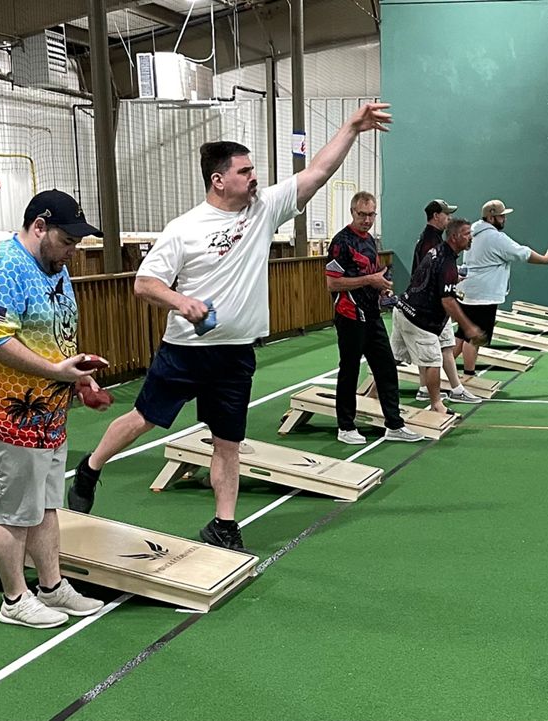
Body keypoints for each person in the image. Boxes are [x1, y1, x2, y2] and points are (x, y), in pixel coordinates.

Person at [69, 103, 394, 553]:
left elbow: (318, 171)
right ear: (218, 179)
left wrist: (353, 127)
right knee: (145, 418)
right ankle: (91, 467)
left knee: (228, 443)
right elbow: (145, 283)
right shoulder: (184, 228)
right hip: (185, 351)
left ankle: (224, 524)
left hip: (236, 352)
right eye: (244, 171)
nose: (253, 177)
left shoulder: (263, 210)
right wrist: (181, 301)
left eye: (253, 169)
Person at [0, 189, 107, 628]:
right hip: (1, 413)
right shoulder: (0, 266)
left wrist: (78, 375)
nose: (72, 252)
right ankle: (14, 599)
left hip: (45, 414)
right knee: (14, 511)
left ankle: (52, 585)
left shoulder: (54, 267)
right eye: (67, 241)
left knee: (45, 504)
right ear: (38, 227)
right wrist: (57, 372)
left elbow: (54, 333)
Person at [326, 192, 426, 445]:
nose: (367, 219)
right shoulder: (341, 242)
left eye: (371, 215)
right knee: (349, 370)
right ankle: (345, 426)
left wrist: (381, 286)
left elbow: (373, 273)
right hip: (349, 315)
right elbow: (332, 284)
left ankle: (394, 424)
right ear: (352, 212)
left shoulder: (370, 240)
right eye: (362, 214)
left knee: (386, 368)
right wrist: (370, 280)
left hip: (372, 315)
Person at [392, 218, 485, 414]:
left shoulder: (442, 253)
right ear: (454, 237)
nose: (471, 238)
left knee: (394, 360)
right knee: (433, 361)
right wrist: (468, 327)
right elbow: (448, 301)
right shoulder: (446, 261)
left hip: (404, 309)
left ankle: (373, 396)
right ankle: (436, 405)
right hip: (418, 318)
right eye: (467, 234)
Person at [454, 199, 548, 375]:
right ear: (491, 217)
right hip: (484, 295)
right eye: (501, 216)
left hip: (468, 290)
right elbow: (522, 253)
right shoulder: (495, 237)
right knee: (475, 337)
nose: (504, 219)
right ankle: (468, 377)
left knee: (461, 335)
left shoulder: (472, 232)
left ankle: (443, 372)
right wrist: (544, 260)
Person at [409, 199, 480, 405]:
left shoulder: (431, 238)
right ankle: (442, 391)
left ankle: (434, 389)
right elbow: (429, 274)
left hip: (425, 303)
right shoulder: (432, 242)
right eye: (446, 214)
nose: (449, 218)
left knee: (440, 347)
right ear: (436, 216)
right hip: (430, 304)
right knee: (440, 347)